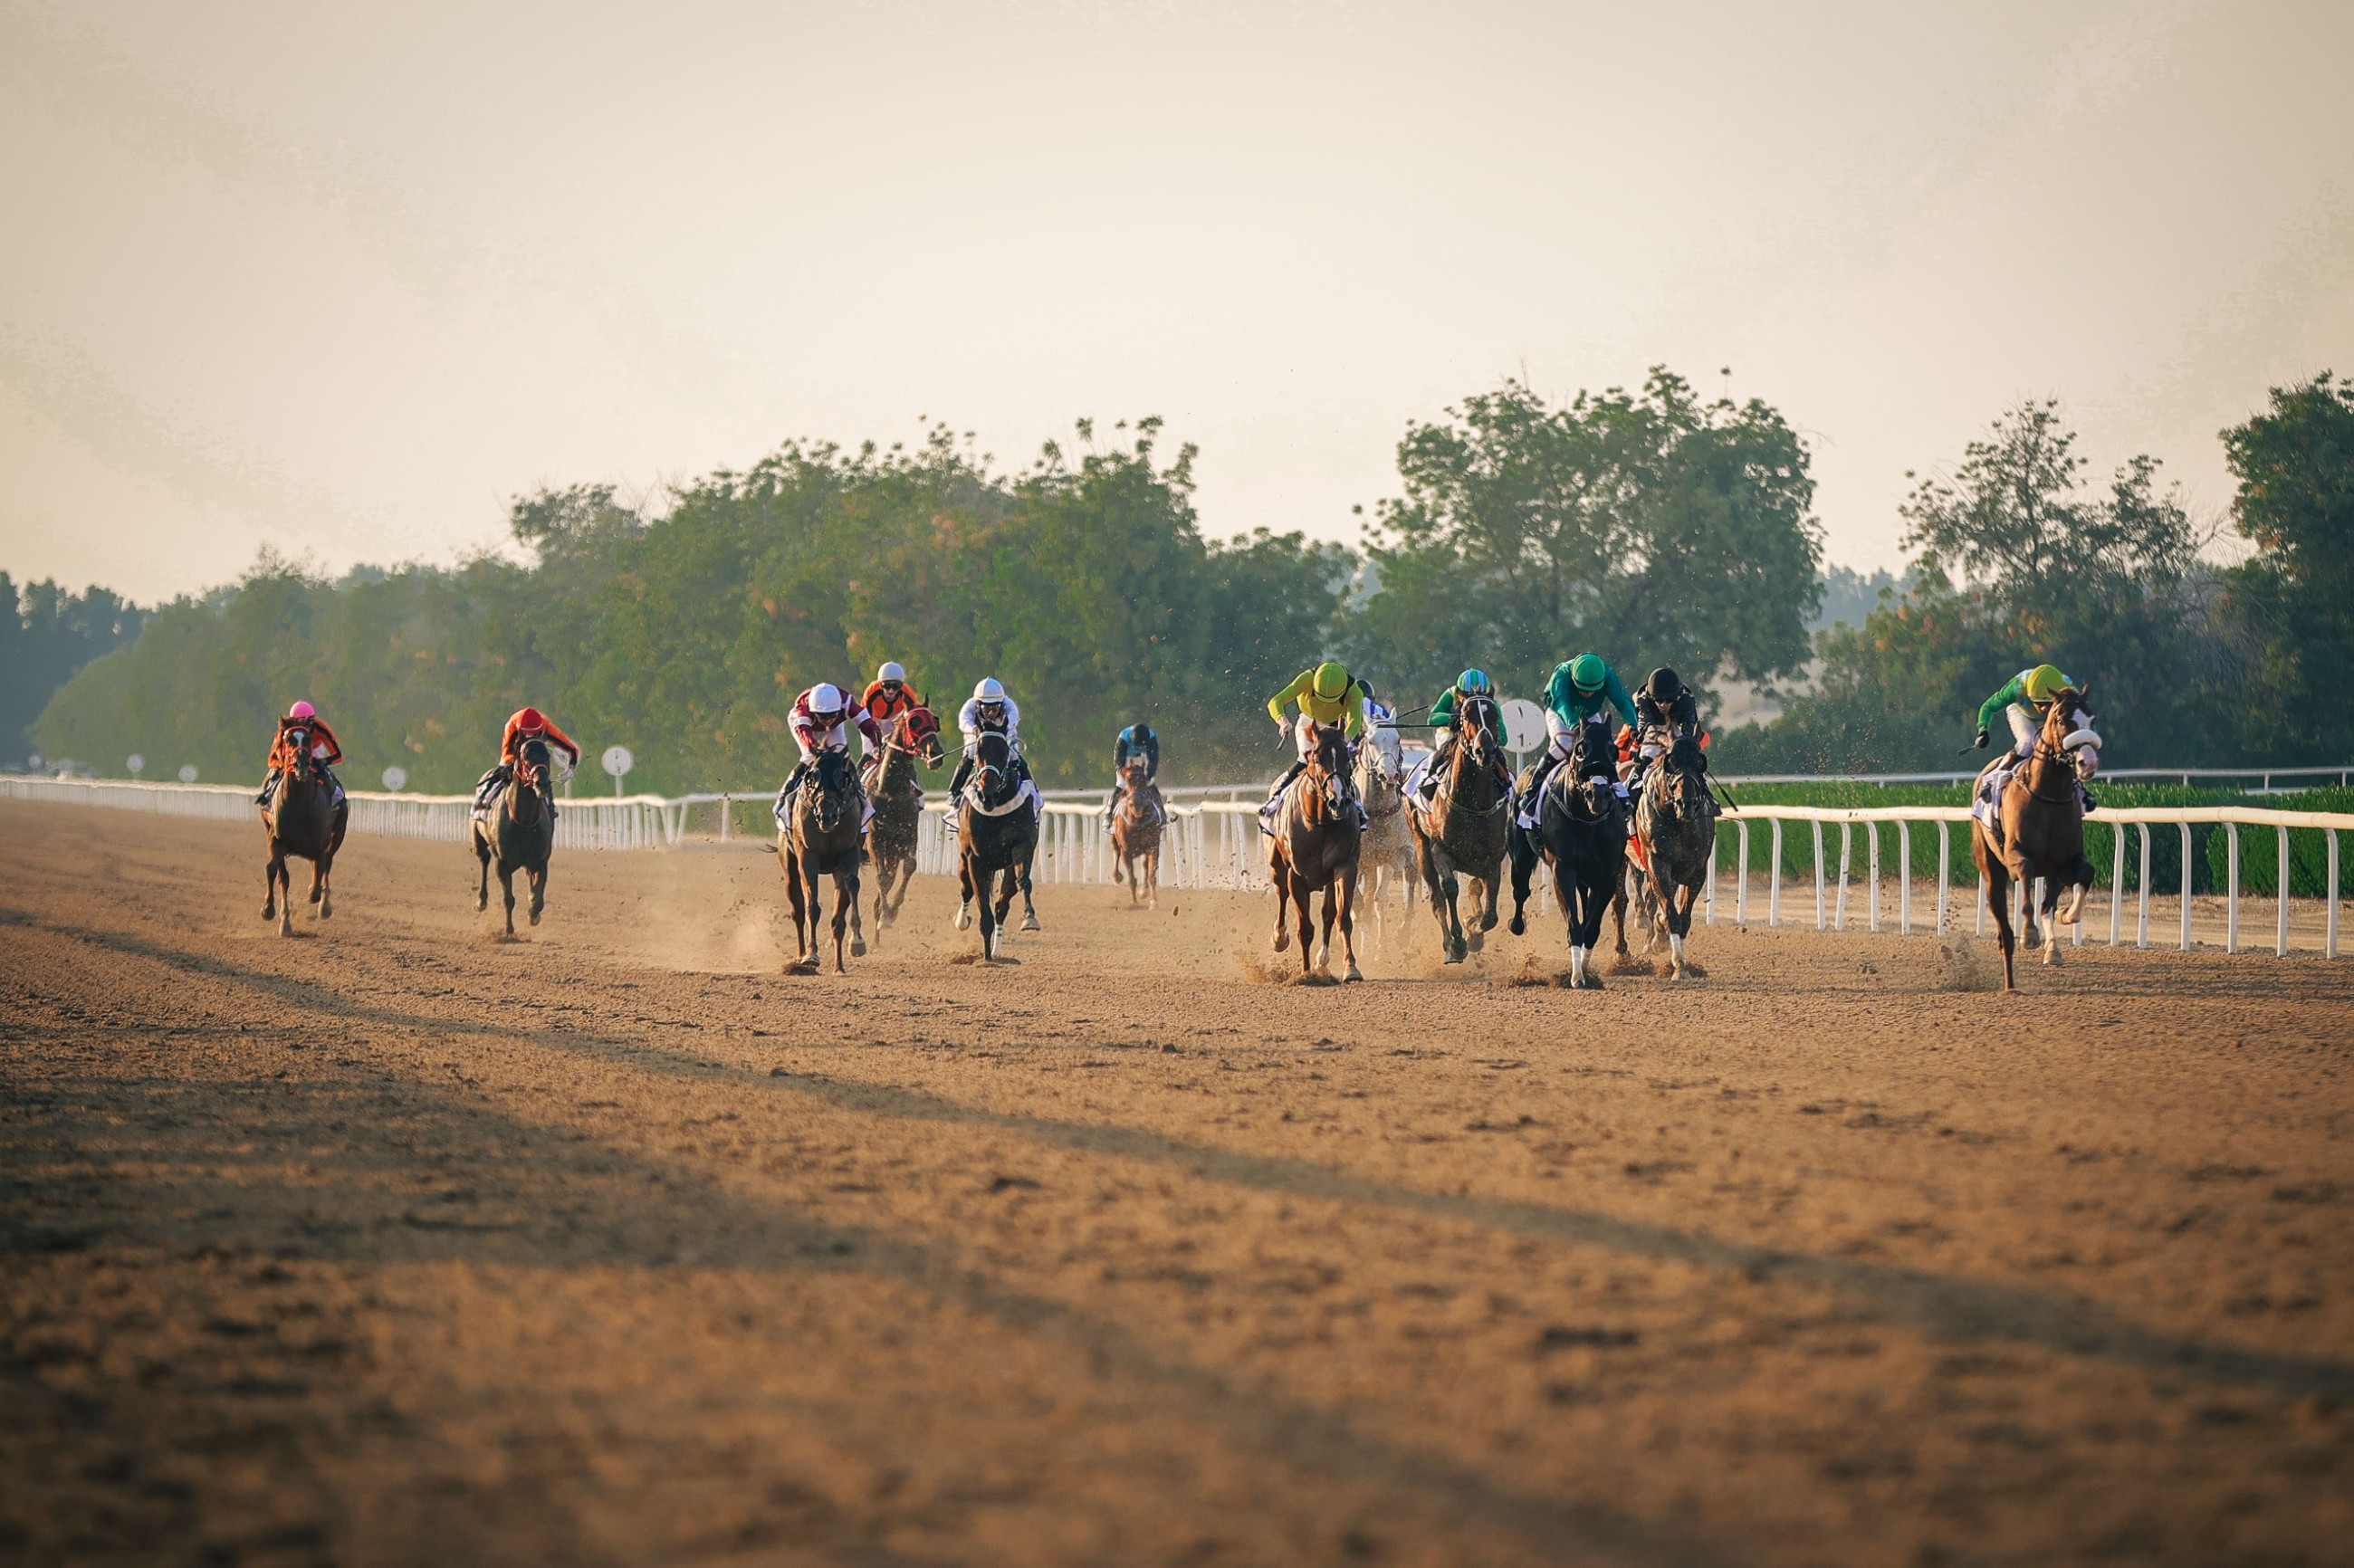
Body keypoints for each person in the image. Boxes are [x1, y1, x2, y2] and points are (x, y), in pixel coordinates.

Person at [1518, 653, 1636, 827]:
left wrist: (1633, 725)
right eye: (1582, 690)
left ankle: (1619, 792)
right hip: (1560, 713)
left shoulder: (1608, 675)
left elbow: (1623, 702)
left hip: (1589, 714)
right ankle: (1532, 791)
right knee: (1564, 744)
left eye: (1592, 690)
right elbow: (1561, 703)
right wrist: (1573, 725)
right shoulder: (1562, 674)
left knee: (1601, 748)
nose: (1587, 694)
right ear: (1573, 679)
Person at [1260, 660, 1371, 830]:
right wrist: (1282, 721)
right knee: (1307, 759)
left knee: (1341, 765)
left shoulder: (1354, 690)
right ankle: (1275, 800)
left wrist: (1344, 740)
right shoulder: (1306, 678)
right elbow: (1276, 701)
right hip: (1308, 725)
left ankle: (1356, 806)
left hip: (1335, 729)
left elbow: (1355, 721)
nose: (1326, 704)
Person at [1972, 663, 2096, 811]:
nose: (2043, 709)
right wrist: (1983, 729)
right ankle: (1991, 781)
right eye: (2039, 703)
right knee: (2027, 743)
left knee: (2063, 748)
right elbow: (1988, 706)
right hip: (2021, 713)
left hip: (2055, 715)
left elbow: (2081, 716)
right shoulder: (2017, 687)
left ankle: (2079, 789)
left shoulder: (2066, 687)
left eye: (2046, 703)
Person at [775, 682, 884, 822]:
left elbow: (869, 726)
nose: (828, 721)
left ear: (839, 709)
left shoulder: (847, 702)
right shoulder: (803, 712)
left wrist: (876, 746)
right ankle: (783, 800)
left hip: (835, 729)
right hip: (806, 728)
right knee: (809, 757)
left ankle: (863, 801)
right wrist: (814, 746)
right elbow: (804, 734)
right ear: (814, 712)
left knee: (843, 757)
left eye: (833, 715)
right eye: (823, 717)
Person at [1412, 668, 1512, 803]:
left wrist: (1490, 737)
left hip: (1477, 740)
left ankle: (1509, 792)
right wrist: (1457, 718)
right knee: (1442, 754)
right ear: (1458, 692)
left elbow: (1504, 739)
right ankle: (1428, 783)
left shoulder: (1491, 704)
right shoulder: (1450, 694)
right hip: (1449, 736)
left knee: (1499, 755)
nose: (1469, 700)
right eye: (1465, 695)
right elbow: (1432, 719)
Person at [474, 706, 582, 815]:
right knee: (504, 770)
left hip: (536, 754)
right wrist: (516, 765)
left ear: (540, 730)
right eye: (526, 734)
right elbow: (506, 756)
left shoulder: (546, 726)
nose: (530, 737)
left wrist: (571, 768)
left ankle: (550, 807)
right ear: (520, 730)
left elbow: (572, 749)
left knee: (543, 775)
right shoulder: (512, 726)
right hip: (515, 752)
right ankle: (483, 798)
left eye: (533, 734)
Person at [946, 677, 1029, 800]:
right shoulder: (970, 705)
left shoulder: (1008, 704)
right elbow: (963, 721)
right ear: (978, 704)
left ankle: (1031, 787)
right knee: (971, 752)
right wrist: (975, 729)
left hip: (1003, 734)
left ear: (1001, 703)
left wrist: (1002, 729)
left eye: (995, 709)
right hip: (978, 735)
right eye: (986, 709)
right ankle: (954, 791)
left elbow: (1014, 718)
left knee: (1014, 754)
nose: (990, 713)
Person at [1624, 666, 1705, 789]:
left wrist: (1679, 745)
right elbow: (1648, 729)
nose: (1663, 705)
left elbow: (1689, 728)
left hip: (1678, 733)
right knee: (1644, 762)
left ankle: (1708, 799)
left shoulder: (1686, 698)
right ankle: (1627, 794)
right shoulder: (1643, 699)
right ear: (1652, 698)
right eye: (1659, 700)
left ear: (1676, 697)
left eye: (1669, 701)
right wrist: (1667, 742)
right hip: (1652, 737)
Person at [256, 700, 343, 809]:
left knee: (325, 773)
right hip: (290, 755)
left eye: (307, 723)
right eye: (298, 723)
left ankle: (337, 798)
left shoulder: (320, 728)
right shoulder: (285, 731)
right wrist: (282, 765)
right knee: (273, 774)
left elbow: (338, 755)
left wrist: (324, 761)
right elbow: (273, 757)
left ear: (312, 721)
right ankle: (268, 796)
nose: (302, 728)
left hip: (314, 750)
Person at [1103, 718, 1161, 827]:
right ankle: (1109, 815)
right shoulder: (1124, 737)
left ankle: (1161, 813)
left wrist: (1149, 776)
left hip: (1144, 758)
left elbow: (1154, 760)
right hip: (1127, 759)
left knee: (1151, 785)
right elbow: (1119, 761)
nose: (1140, 747)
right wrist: (1125, 776)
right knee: (1120, 786)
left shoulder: (1152, 737)